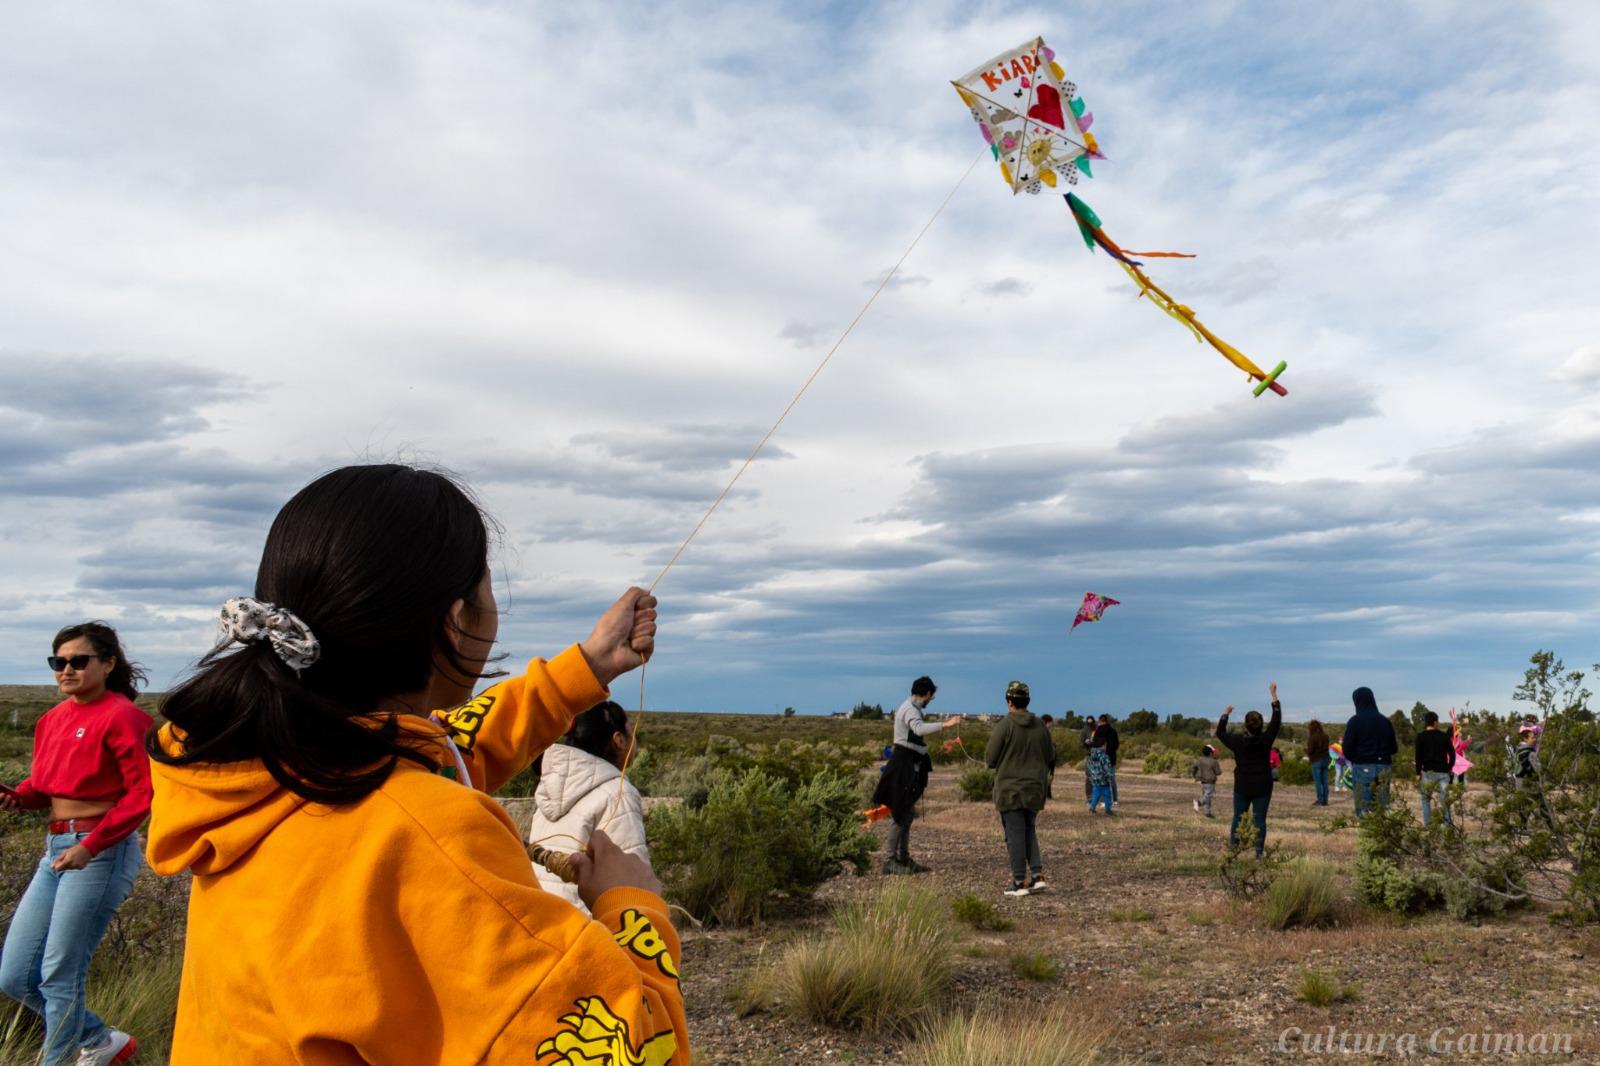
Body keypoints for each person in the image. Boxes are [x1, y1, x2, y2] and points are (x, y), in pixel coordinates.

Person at [142, 465, 689, 1065]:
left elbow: (444, 751)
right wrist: (630, 903)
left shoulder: (267, 765)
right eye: (487, 588)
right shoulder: (423, 835)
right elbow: (634, 1051)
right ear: (456, 621)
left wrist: (584, 667)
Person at [0, 624, 151, 1066]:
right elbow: (44, 787)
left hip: (99, 850)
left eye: (78, 661)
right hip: (58, 848)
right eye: (59, 662)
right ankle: (100, 1039)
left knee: (59, 974)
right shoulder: (52, 719)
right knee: (14, 976)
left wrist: (94, 845)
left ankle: (57, 1060)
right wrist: (19, 796)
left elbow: (141, 795)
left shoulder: (122, 715)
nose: (67, 669)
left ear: (107, 664)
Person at [528, 701, 648, 914]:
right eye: (632, 732)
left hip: (542, 918)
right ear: (618, 740)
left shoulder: (549, 786)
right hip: (586, 932)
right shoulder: (618, 793)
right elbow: (632, 881)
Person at [871, 676, 961, 874]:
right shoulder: (910, 710)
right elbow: (918, 729)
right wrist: (945, 724)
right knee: (901, 812)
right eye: (932, 696)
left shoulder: (911, 708)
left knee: (907, 812)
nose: (931, 700)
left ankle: (902, 858)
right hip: (903, 764)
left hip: (908, 764)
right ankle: (890, 860)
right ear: (927, 694)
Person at [984, 681, 1055, 897]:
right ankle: (1036, 875)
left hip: (1010, 790)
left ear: (1009, 702)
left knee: (1014, 834)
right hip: (1035, 789)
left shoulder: (1005, 725)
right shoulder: (1041, 726)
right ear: (1027, 701)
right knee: (1028, 830)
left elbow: (990, 759)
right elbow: (1051, 756)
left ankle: (1018, 881)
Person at [1214, 683, 1283, 857]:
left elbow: (1220, 733)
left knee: (1238, 818)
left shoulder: (1238, 741)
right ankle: (1258, 854)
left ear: (1245, 725)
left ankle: (1234, 850)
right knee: (1259, 820)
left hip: (1243, 785)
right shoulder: (1266, 739)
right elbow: (1276, 721)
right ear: (1261, 725)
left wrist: (1225, 715)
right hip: (1263, 785)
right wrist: (1274, 696)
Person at [1343, 687, 1398, 815]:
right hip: (1384, 766)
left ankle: (1365, 833)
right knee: (1383, 809)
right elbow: (1394, 748)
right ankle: (1383, 834)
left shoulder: (1355, 721)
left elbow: (1347, 749)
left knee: (1364, 809)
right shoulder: (1385, 721)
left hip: (1363, 766)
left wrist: (1357, 758)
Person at [1414, 710, 1454, 827]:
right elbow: (1452, 754)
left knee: (1426, 799)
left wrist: (1418, 772)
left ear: (1426, 723)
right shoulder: (1444, 736)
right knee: (1444, 800)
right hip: (1443, 771)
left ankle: (1428, 826)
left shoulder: (1420, 737)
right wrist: (1450, 767)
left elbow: (1418, 756)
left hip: (1428, 772)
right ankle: (1447, 826)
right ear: (1436, 722)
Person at [1095, 713, 1121, 807]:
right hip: (1112, 758)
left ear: (1101, 721)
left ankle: (1103, 801)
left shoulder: (1098, 731)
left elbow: (1095, 744)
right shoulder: (1113, 731)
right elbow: (1117, 745)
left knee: (1102, 780)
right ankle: (1115, 800)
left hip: (1101, 759)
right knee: (1112, 779)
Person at [1189, 744, 1221, 818]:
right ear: (1210, 753)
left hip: (1202, 781)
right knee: (1208, 796)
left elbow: (1193, 767)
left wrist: (1194, 775)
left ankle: (1207, 813)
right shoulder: (1214, 761)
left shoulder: (1199, 760)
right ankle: (1198, 803)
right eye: (1213, 752)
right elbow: (1218, 772)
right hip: (1210, 781)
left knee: (1206, 796)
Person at [1306, 720, 1332, 806]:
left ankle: (1320, 800)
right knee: (1324, 781)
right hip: (1326, 759)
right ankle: (1325, 801)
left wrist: (1305, 750)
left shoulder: (1312, 738)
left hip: (1316, 760)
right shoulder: (1326, 736)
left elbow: (1310, 751)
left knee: (1318, 782)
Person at [1079, 716, 1098, 801]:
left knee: (1098, 776)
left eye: (1092, 723)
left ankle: (1099, 797)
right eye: (1089, 724)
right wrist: (1085, 743)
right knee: (1089, 776)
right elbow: (1081, 744)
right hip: (1089, 755)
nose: (1090, 725)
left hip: (1098, 755)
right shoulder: (1084, 730)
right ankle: (1089, 797)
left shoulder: (1098, 729)